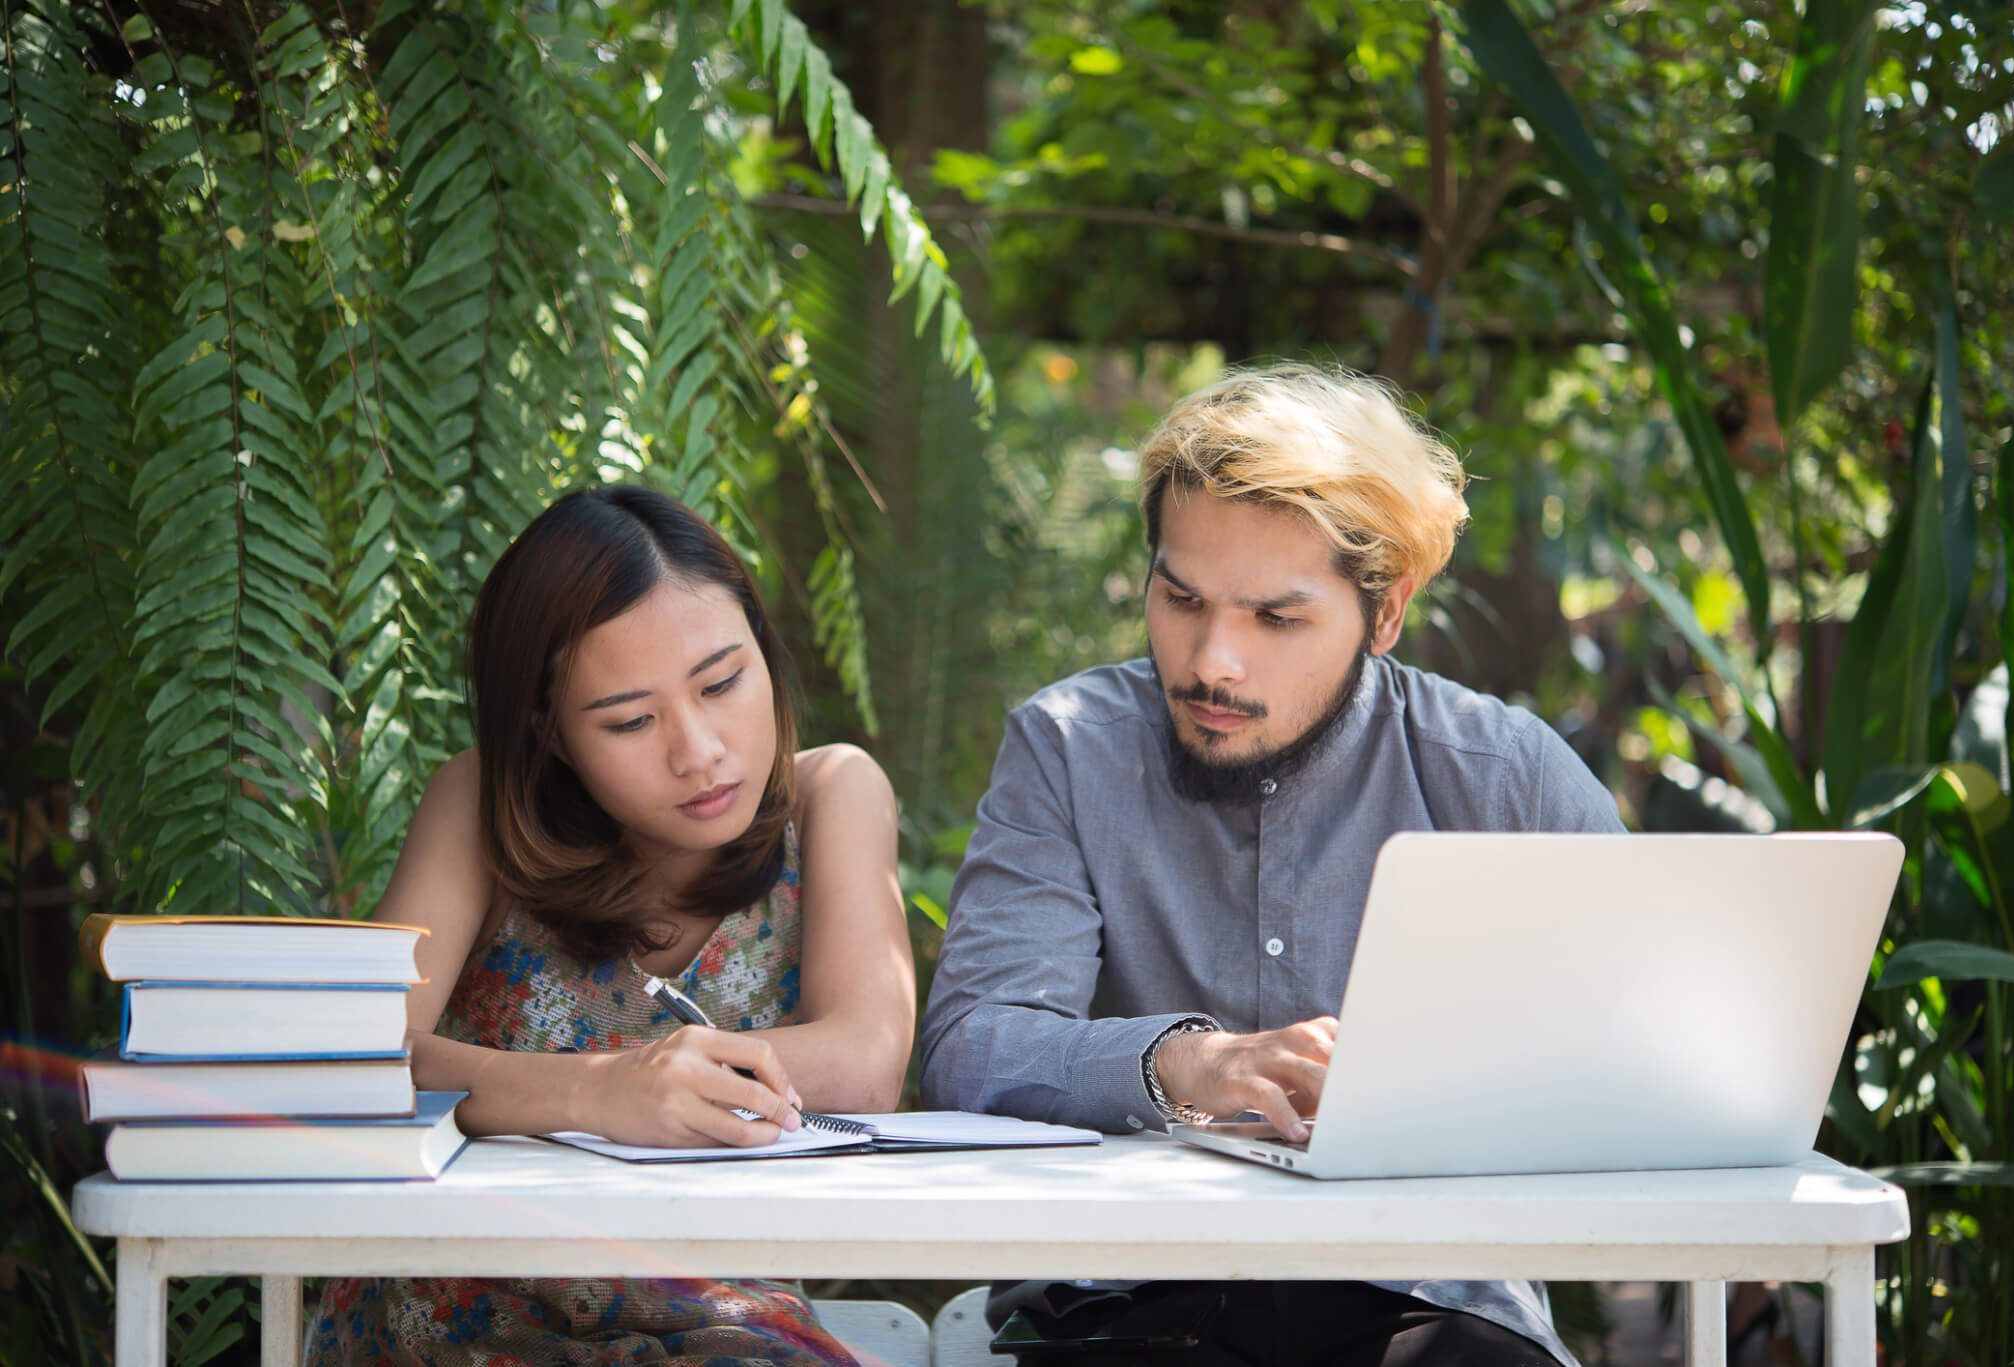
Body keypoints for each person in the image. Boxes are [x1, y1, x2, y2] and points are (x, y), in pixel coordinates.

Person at [921, 364, 1624, 1367]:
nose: (1212, 660)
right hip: (1127, 1300)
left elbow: (1648, 1050)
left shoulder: (1502, 778)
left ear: (1384, 613)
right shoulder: (1067, 750)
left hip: (1425, 1299)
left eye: (1274, 617)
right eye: (1180, 599)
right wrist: (1184, 1064)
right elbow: (972, 1047)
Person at [310, 485, 914, 1366]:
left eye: (723, 682)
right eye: (631, 719)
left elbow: (864, 1065)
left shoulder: (832, 794)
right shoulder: (478, 805)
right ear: (549, 730)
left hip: (720, 1320)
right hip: (449, 1308)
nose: (699, 750)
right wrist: (604, 1091)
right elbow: (358, 1055)